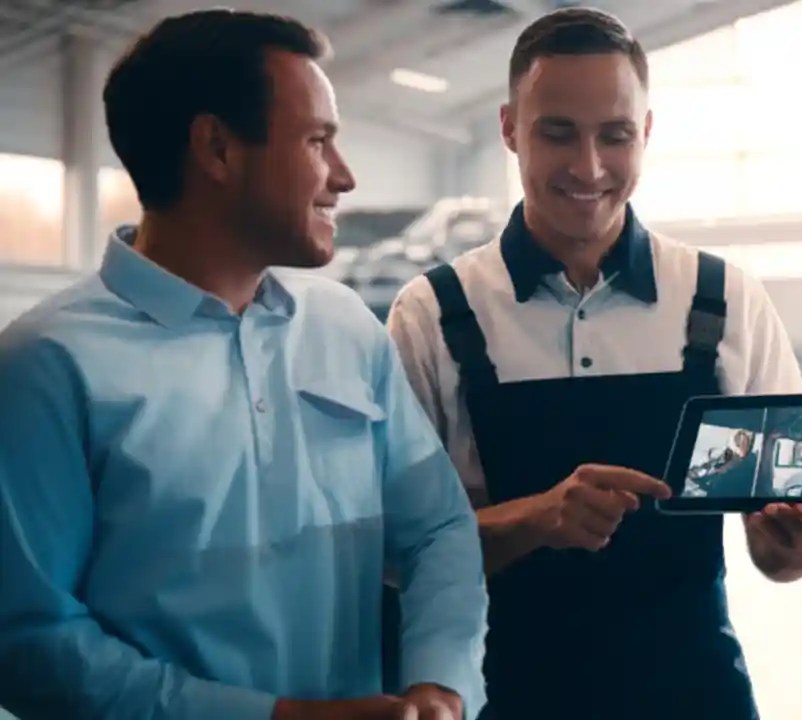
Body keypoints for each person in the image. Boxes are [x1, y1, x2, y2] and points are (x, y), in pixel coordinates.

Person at [0, 10, 486, 720]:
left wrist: (441, 683)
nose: (344, 177)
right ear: (218, 148)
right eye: (318, 140)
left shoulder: (345, 328)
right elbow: (30, 642)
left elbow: (439, 529)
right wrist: (277, 718)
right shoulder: (49, 366)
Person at [386, 8, 802, 719]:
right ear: (510, 128)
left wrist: (797, 546)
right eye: (557, 132)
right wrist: (537, 519)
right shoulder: (434, 316)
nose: (589, 167)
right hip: (503, 695)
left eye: (615, 135)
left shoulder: (722, 300)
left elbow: (779, 552)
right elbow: (398, 553)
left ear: (647, 133)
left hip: (695, 692)